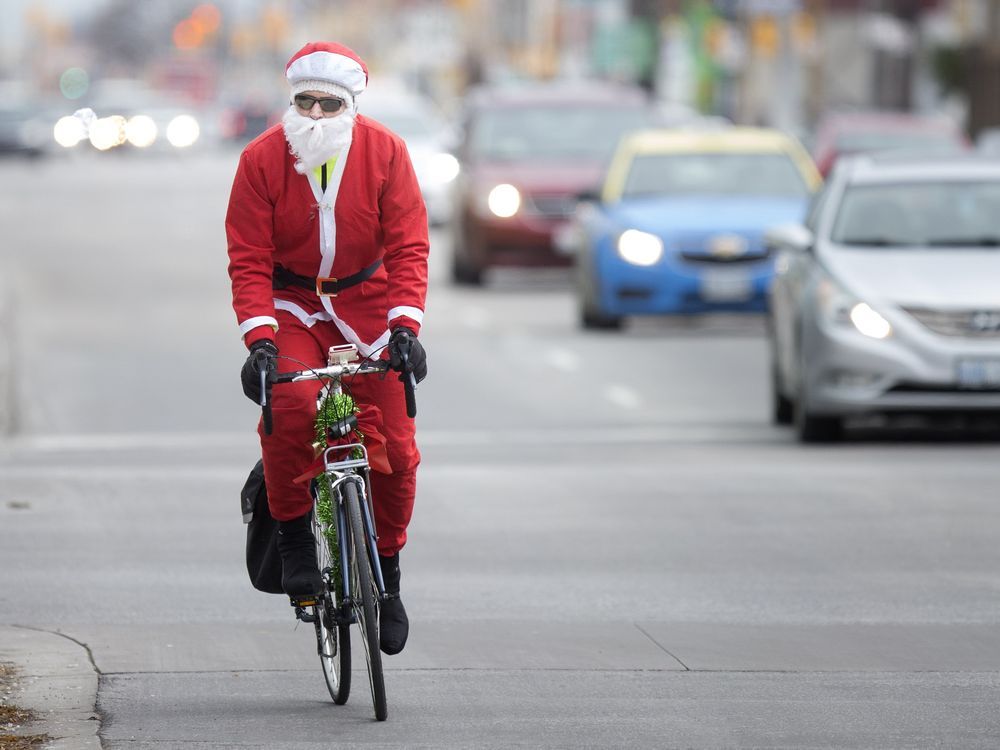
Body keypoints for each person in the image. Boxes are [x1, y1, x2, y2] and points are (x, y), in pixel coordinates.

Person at [226, 41, 429, 655]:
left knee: (395, 446)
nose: (315, 114)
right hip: (292, 306)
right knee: (290, 412)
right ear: (291, 102)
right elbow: (249, 259)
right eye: (304, 101)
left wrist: (405, 328)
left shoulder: (387, 151)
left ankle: (386, 579)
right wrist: (260, 341)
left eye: (328, 103)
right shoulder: (261, 160)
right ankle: (293, 546)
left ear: (350, 105)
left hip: (367, 304)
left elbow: (408, 245)